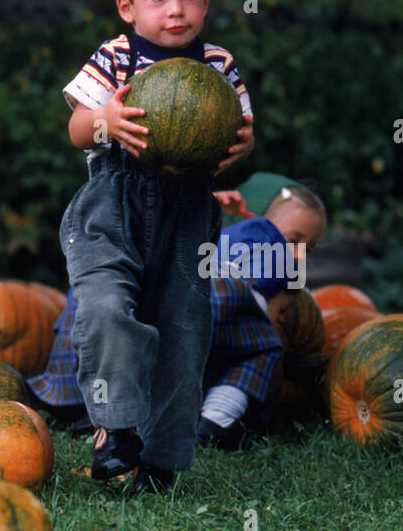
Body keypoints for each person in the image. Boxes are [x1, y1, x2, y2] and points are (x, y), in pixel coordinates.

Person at [58, 0, 254, 495]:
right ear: (128, 6)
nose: (176, 10)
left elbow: (240, 130)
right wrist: (105, 120)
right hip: (113, 206)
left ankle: (162, 462)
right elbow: (75, 128)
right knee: (104, 307)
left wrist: (244, 141)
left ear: (207, 0)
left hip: (186, 215)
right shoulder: (116, 57)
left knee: (183, 330)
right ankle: (114, 430)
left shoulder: (217, 67)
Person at [30, 184, 328, 453]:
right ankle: (217, 419)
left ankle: (95, 410)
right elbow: (266, 318)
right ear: (265, 221)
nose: (299, 254)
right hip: (209, 297)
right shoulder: (268, 240)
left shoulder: (204, 231)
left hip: (130, 297)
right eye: (294, 239)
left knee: (129, 337)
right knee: (263, 347)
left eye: (308, 249)